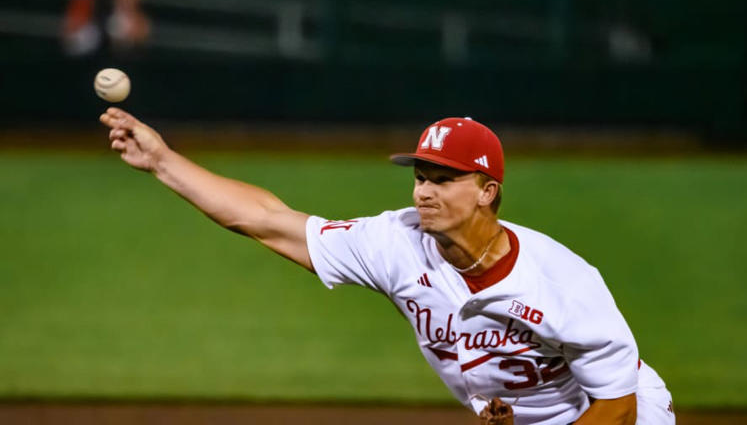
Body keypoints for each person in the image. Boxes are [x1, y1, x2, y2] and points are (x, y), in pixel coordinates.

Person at [100, 108, 675, 425]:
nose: (425, 191)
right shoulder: (396, 242)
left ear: (487, 192)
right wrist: (163, 161)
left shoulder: (563, 282)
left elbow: (617, 409)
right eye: (421, 176)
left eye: (445, 179)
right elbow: (269, 219)